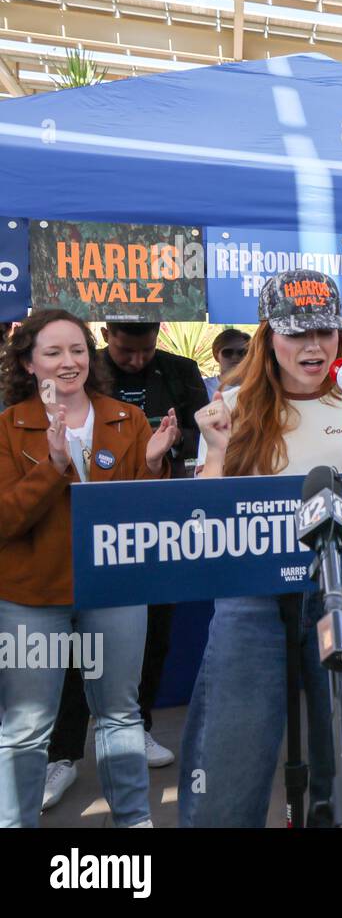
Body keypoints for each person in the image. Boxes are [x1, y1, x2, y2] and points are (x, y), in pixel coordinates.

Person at [178, 271, 342, 828]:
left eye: (325, 332)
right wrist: (219, 450)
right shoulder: (230, 404)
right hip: (252, 599)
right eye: (297, 333)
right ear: (268, 335)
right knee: (229, 768)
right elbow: (205, 522)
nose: (313, 347)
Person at [0, 309, 180, 828]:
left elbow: (139, 522)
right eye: (52, 352)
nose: (68, 362)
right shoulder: (9, 428)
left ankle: (134, 821)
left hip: (113, 590)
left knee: (120, 716)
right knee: (27, 727)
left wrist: (150, 464)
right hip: (31, 599)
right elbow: (8, 519)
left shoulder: (128, 418)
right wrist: (54, 468)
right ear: (29, 363)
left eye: (77, 350)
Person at [43, 319, 209, 807]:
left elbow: (199, 431)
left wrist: (165, 445)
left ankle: (138, 727)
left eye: (144, 351)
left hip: (154, 520)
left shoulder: (180, 371)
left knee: (152, 631)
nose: (135, 360)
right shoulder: (83, 372)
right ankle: (63, 753)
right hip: (80, 529)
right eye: (124, 350)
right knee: (77, 648)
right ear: (106, 337)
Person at [204, 328, 250, 400]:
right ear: (216, 356)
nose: (235, 357)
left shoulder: (259, 388)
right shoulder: (203, 387)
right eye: (228, 352)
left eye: (242, 353)